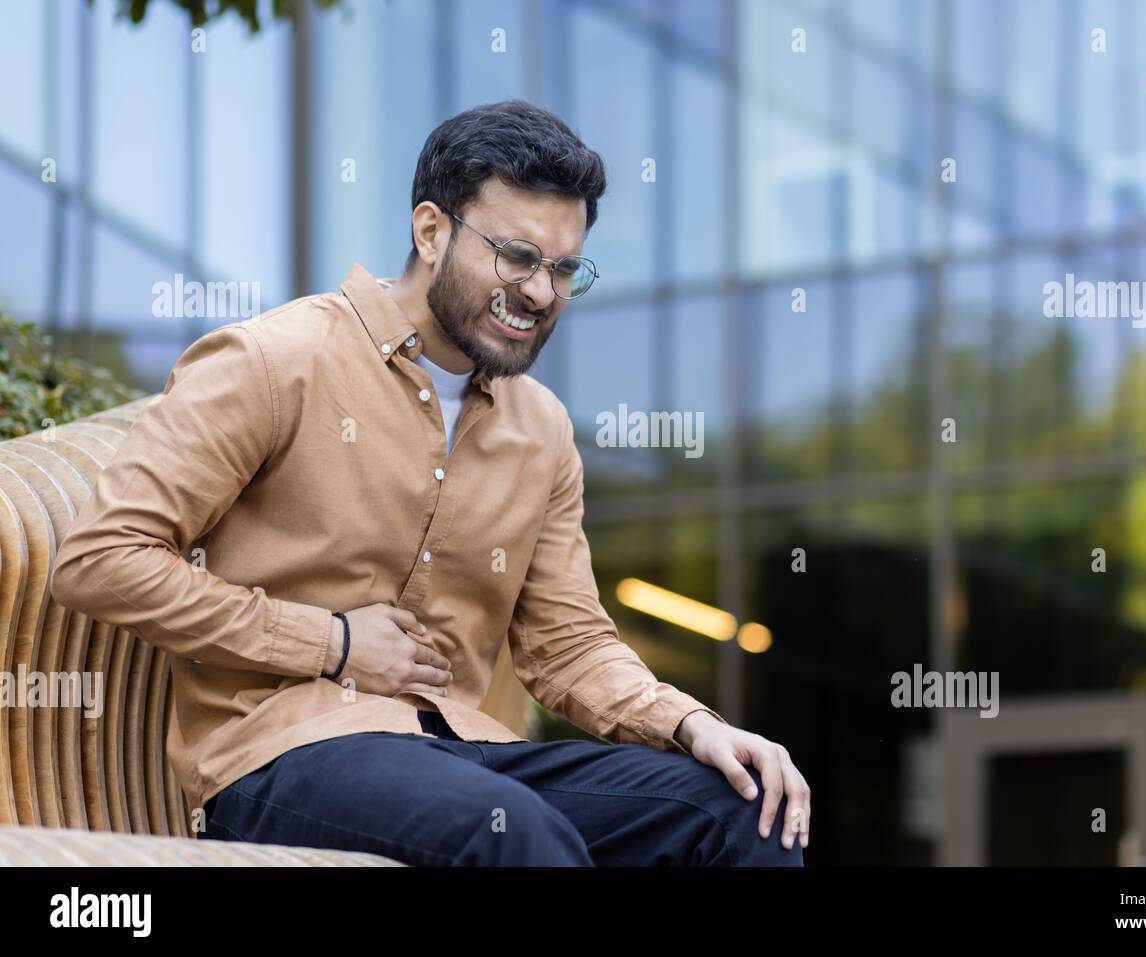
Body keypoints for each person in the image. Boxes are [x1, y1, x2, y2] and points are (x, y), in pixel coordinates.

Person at [50, 99, 808, 866]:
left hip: (463, 752)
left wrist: (691, 723)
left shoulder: (540, 428)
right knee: (511, 830)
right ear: (430, 230)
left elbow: (566, 643)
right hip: (282, 754)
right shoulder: (275, 362)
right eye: (517, 256)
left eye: (565, 268)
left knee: (740, 810)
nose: (541, 293)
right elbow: (101, 559)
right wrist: (332, 641)